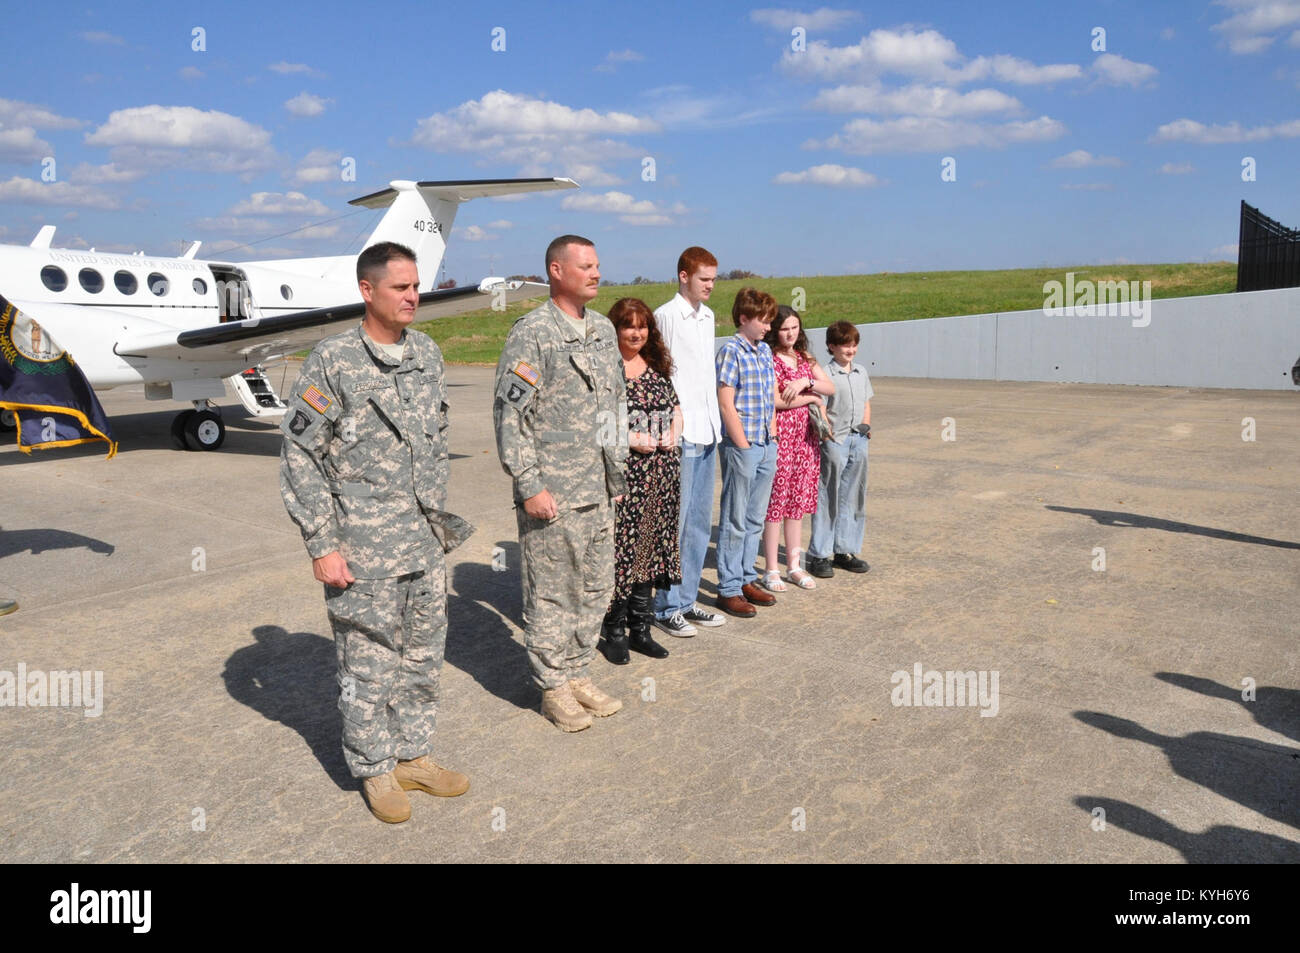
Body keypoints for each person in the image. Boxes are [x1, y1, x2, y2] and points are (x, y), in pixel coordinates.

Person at [280, 241, 473, 824]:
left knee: (421, 655)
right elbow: (300, 453)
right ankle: (373, 768)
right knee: (367, 662)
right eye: (400, 287)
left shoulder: (428, 355)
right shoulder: (334, 360)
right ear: (368, 291)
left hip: (423, 539)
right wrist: (322, 544)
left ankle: (412, 755)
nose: (413, 296)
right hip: (362, 546)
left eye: (416, 286)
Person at [494, 235, 628, 732]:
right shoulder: (532, 333)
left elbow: (615, 404)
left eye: (598, 265)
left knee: (594, 586)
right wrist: (529, 484)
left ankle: (577, 672)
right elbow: (511, 414)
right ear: (556, 270)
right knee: (551, 591)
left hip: (598, 487)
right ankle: (552, 687)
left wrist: (617, 473)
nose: (596, 273)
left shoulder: (603, 330)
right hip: (553, 489)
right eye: (586, 266)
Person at [599, 298, 682, 665]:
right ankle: (613, 631)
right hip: (625, 477)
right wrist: (630, 439)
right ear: (615, 329)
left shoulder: (657, 365)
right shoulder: (605, 368)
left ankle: (641, 630)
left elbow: (677, 409)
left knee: (649, 551)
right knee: (622, 553)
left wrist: (674, 433)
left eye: (643, 326)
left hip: (662, 476)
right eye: (628, 326)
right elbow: (594, 420)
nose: (637, 333)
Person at [651, 247, 728, 637]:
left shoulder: (709, 315)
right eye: (704, 279)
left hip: (709, 428)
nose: (711, 285)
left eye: (714, 278)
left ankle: (686, 599)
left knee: (698, 524)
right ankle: (664, 607)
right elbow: (660, 372)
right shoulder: (666, 316)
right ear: (684, 276)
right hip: (682, 434)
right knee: (676, 524)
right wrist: (668, 425)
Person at [714, 288, 780, 618]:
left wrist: (773, 435)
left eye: (770, 320)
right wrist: (741, 444)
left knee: (755, 518)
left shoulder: (764, 351)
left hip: (767, 444)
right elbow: (726, 401)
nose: (768, 326)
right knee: (735, 518)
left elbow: (769, 396)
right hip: (743, 446)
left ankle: (745, 578)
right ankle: (727, 589)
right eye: (763, 320)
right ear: (744, 318)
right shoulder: (731, 351)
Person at [761, 306, 834, 591]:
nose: (790, 333)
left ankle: (793, 565)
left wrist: (808, 383)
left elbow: (831, 387)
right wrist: (812, 399)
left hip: (806, 441)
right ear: (775, 331)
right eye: (784, 328)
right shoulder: (768, 357)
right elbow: (776, 401)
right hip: (782, 437)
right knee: (775, 504)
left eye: (794, 327)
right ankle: (771, 569)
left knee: (797, 504)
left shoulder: (804, 358)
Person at [807, 320, 873, 578]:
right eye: (845, 344)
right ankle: (820, 554)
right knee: (828, 495)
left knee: (853, 495)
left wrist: (866, 426)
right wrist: (826, 435)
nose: (850, 349)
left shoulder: (861, 372)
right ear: (831, 346)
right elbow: (819, 405)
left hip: (859, 438)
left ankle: (845, 550)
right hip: (835, 441)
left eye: (854, 344)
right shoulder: (825, 374)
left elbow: (866, 401)